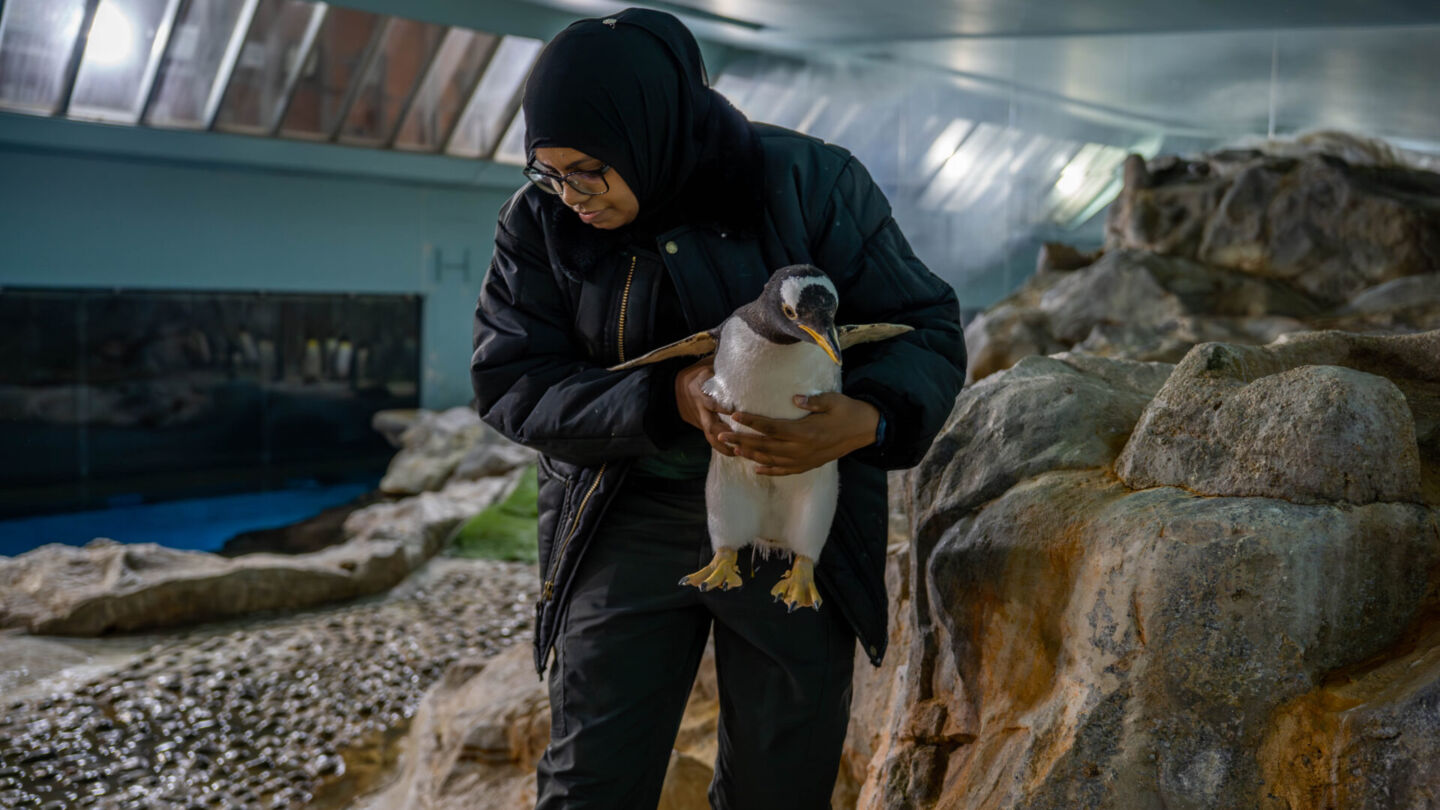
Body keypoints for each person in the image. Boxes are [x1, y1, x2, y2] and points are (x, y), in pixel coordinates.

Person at [470, 8, 965, 809]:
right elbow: (510, 381)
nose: (570, 197)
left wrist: (870, 419)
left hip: (792, 515)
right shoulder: (540, 224)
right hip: (622, 514)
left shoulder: (810, 182)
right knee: (590, 782)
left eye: (588, 169)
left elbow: (927, 327)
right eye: (548, 172)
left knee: (780, 783)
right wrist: (666, 397)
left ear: (647, 132)